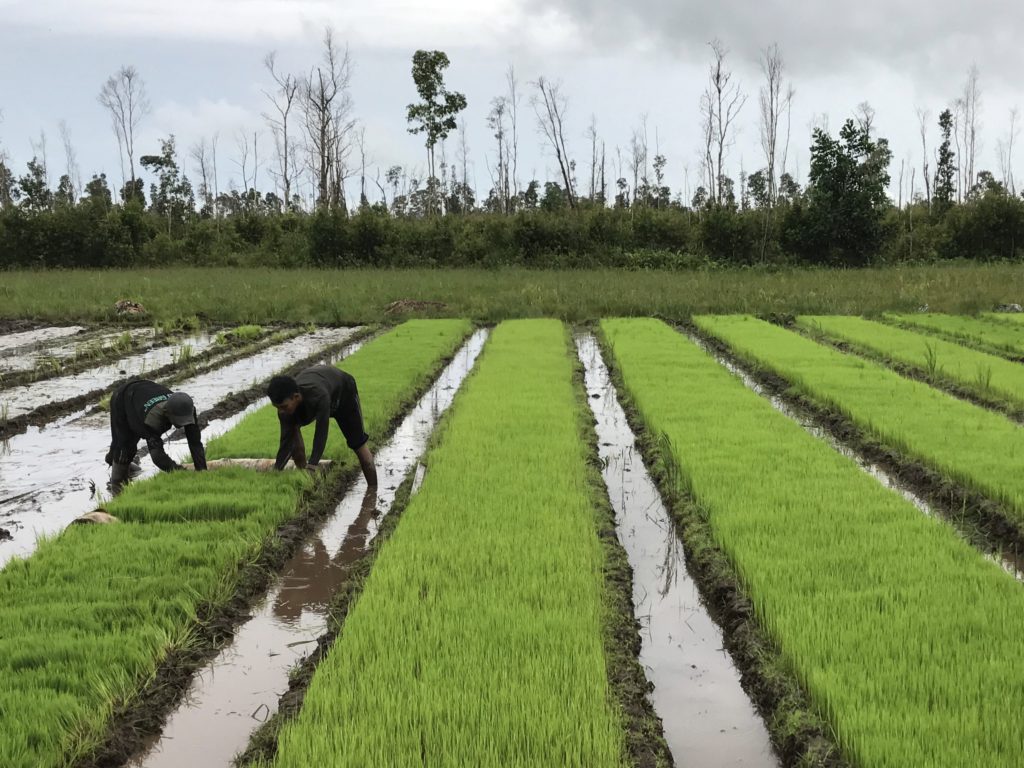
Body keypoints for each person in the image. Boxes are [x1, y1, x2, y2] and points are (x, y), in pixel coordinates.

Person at [266, 366, 377, 485]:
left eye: (283, 406)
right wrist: (277, 470)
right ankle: (305, 479)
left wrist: (313, 464)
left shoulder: (318, 395)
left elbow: (321, 432)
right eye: (277, 407)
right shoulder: (285, 410)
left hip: (344, 393)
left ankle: (372, 489)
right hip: (321, 388)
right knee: (293, 432)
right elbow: (286, 441)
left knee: (358, 443)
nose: (281, 411)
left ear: (296, 397)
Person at [106, 378, 207, 493]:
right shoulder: (152, 420)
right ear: (167, 414)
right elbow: (158, 458)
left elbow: (195, 442)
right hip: (124, 397)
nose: (182, 424)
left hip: (145, 391)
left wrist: (201, 471)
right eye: (179, 420)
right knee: (126, 446)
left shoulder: (186, 408)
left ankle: (113, 460)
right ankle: (117, 487)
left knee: (123, 448)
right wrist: (181, 472)